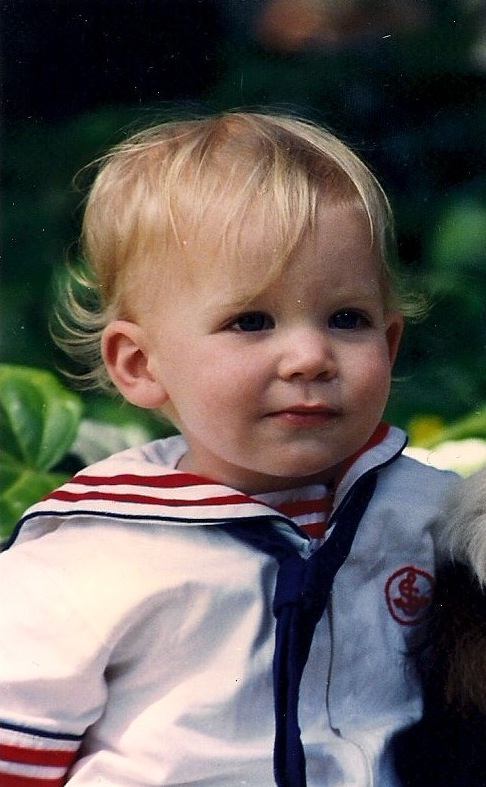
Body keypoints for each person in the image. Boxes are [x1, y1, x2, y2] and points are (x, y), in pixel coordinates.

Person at [0, 112, 458, 786]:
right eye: (251, 321)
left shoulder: (432, 514)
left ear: (389, 344)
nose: (309, 355)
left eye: (346, 318)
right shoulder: (93, 553)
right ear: (140, 364)